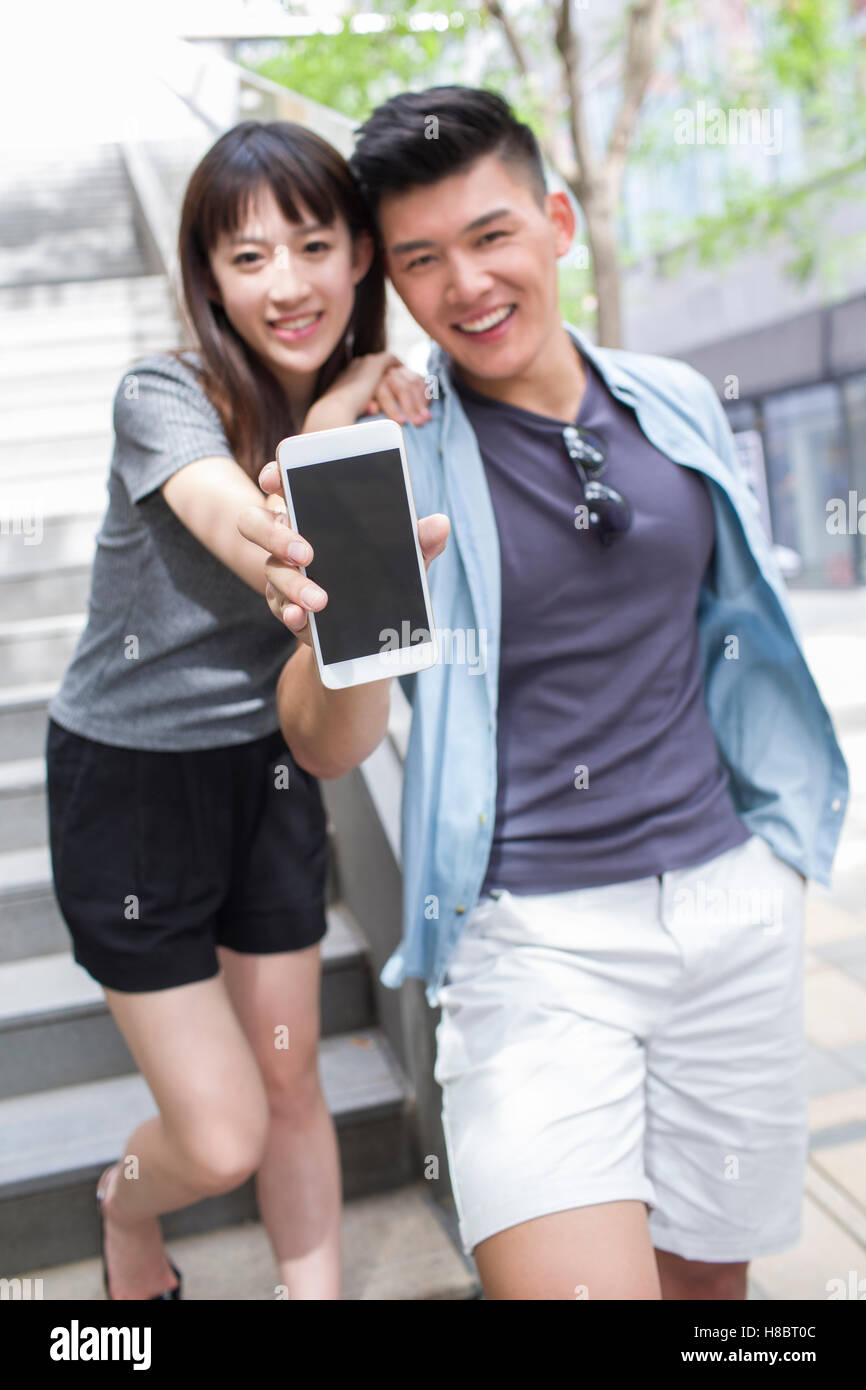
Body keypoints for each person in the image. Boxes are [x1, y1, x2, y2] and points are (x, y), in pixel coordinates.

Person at [237, 88, 849, 1301]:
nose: (463, 282)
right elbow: (324, 742)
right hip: (533, 945)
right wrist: (333, 630)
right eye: (419, 259)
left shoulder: (670, 397)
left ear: (557, 221)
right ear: (391, 286)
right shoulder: (390, 456)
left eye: (490, 235)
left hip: (726, 907)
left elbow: (732, 628)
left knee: (708, 1297)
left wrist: (775, 854)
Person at [45, 119, 431, 1301]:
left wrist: (363, 383)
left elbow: (314, 443)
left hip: (265, 773)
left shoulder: (363, 409)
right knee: (216, 1137)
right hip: (130, 782)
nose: (285, 283)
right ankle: (121, 1207)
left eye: (311, 245)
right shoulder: (162, 393)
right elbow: (222, 505)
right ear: (204, 276)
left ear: (359, 255)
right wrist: (294, 558)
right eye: (246, 257)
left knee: (289, 1083)